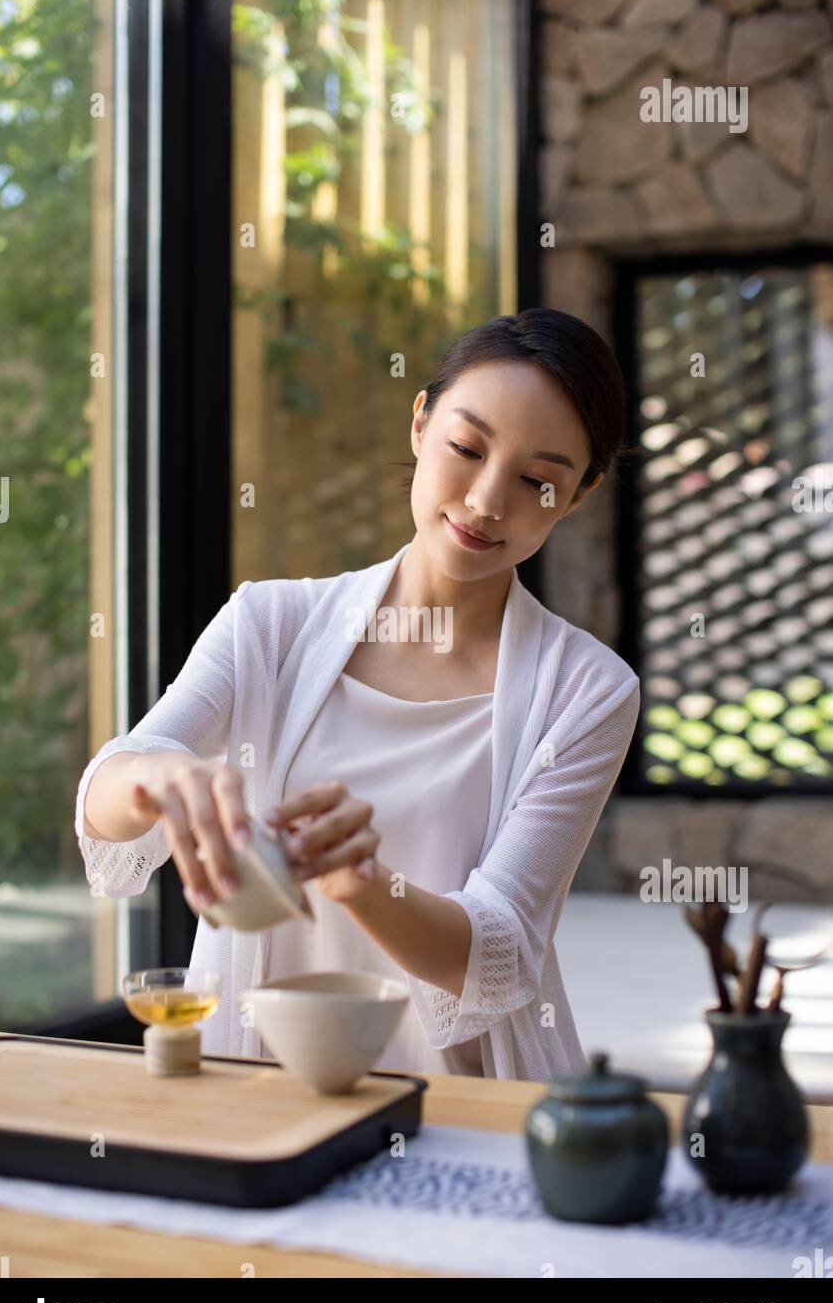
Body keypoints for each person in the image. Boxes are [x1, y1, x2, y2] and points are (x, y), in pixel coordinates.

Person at [75, 308, 640, 1081]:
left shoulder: (586, 692)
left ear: (577, 497)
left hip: (457, 1100)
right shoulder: (269, 624)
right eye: (466, 448)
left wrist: (362, 883)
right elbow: (110, 796)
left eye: (536, 481)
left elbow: (497, 956)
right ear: (419, 423)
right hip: (253, 1086)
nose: (483, 500)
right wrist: (158, 775)